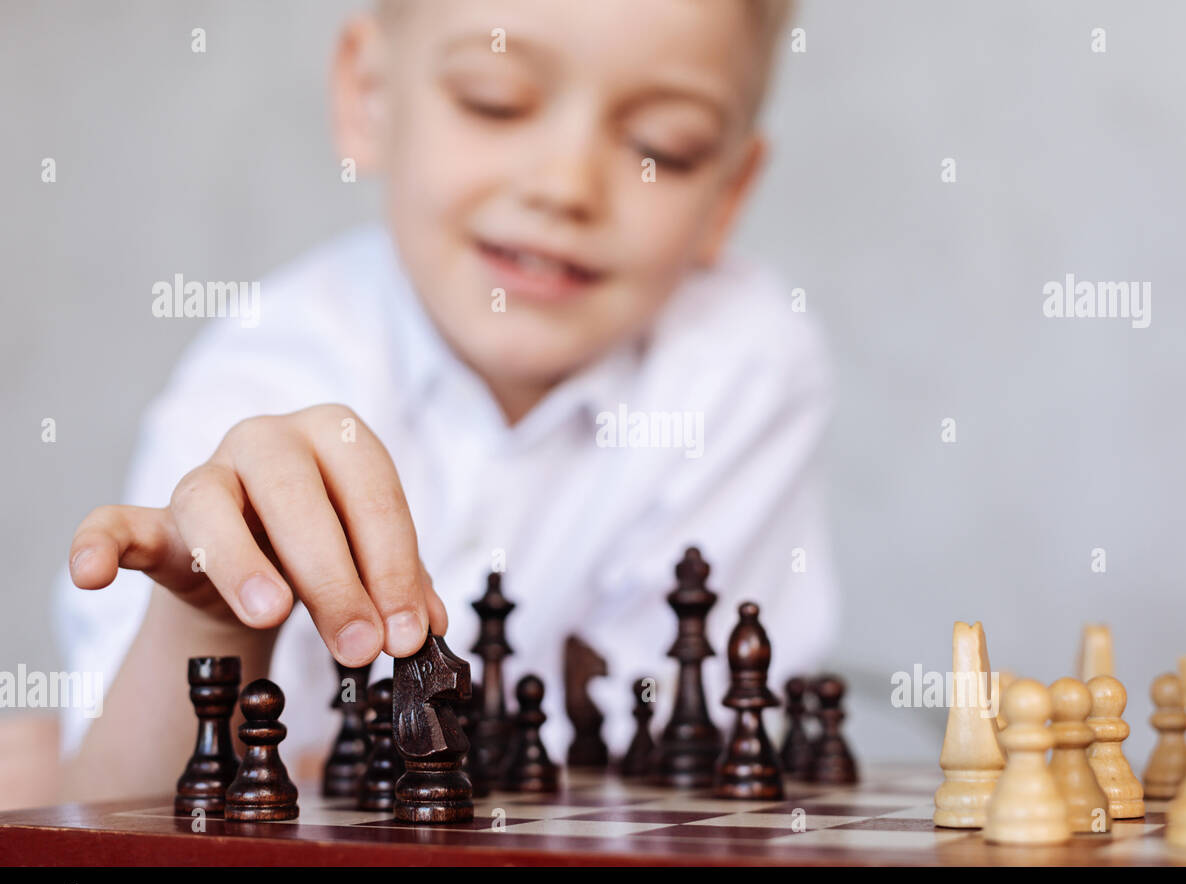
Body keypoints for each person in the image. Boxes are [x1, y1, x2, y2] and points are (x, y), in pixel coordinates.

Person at [57, 0, 837, 798]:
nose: (566, 187)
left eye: (663, 149)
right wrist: (211, 616)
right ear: (371, 96)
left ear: (730, 192)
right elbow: (114, 815)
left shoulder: (742, 371)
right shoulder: (267, 368)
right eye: (493, 100)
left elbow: (666, 788)